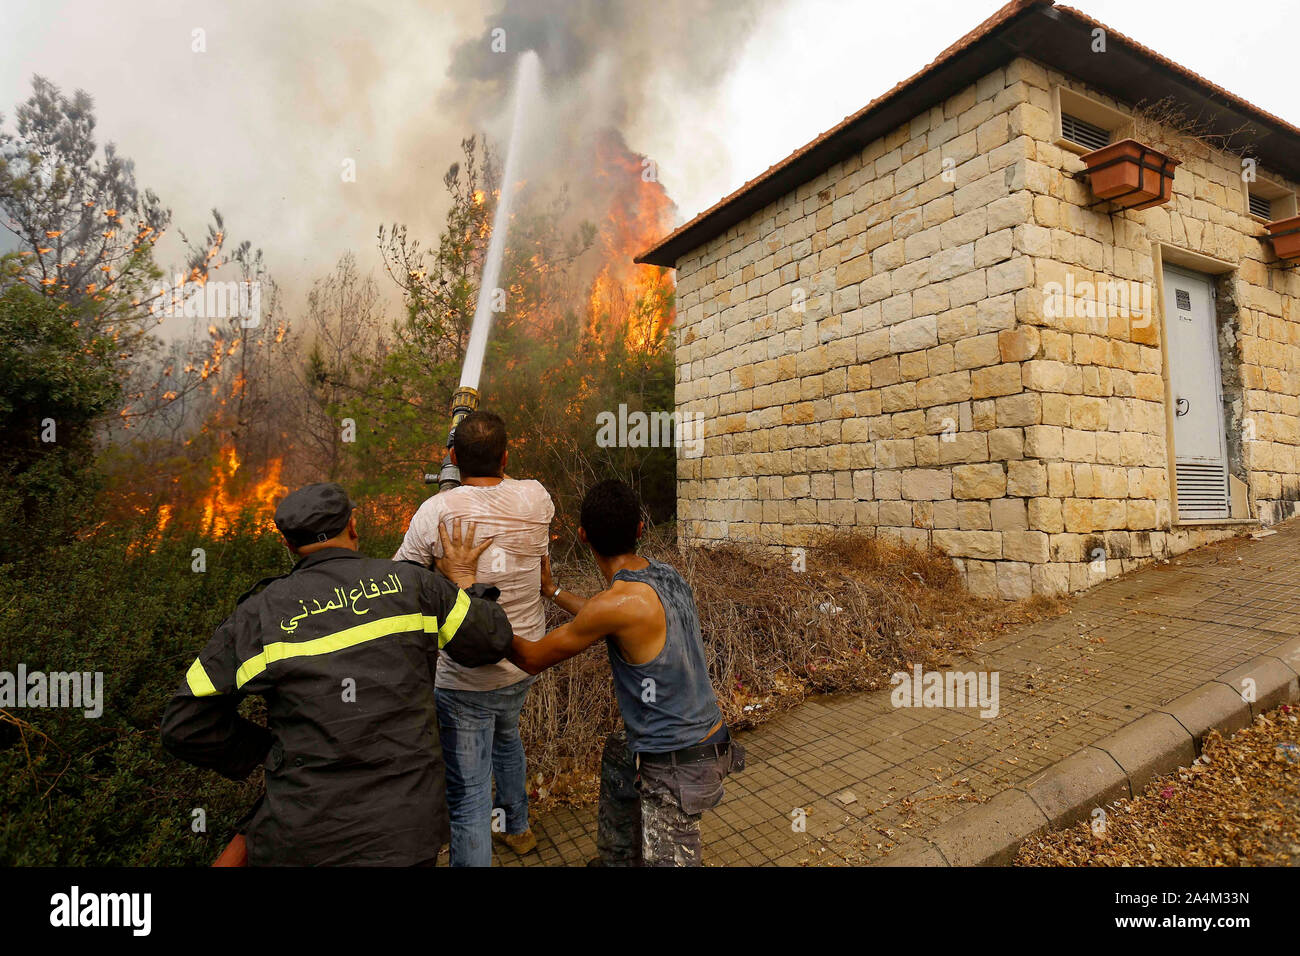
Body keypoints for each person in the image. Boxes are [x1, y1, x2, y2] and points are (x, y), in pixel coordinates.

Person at [161, 482, 511, 866]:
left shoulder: (256, 618)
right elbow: (489, 641)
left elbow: (185, 725)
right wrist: (462, 581)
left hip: (305, 838)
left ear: (290, 546)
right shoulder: (413, 586)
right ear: (354, 527)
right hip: (403, 831)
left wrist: (270, 752)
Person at [447, 478, 744, 866]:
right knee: (618, 754)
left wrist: (467, 587)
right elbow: (609, 615)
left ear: (584, 536)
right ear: (640, 529)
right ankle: (617, 858)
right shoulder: (665, 576)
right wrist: (551, 591)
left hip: (679, 766)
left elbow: (532, 658)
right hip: (710, 739)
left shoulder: (616, 605)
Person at [394, 410, 554, 865]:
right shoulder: (537, 498)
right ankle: (518, 829)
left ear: (450, 457)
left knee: (467, 797)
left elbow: (401, 585)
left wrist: (441, 569)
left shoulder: (435, 512)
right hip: (524, 660)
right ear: (506, 456)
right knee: (508, 738)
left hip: (463, 679)